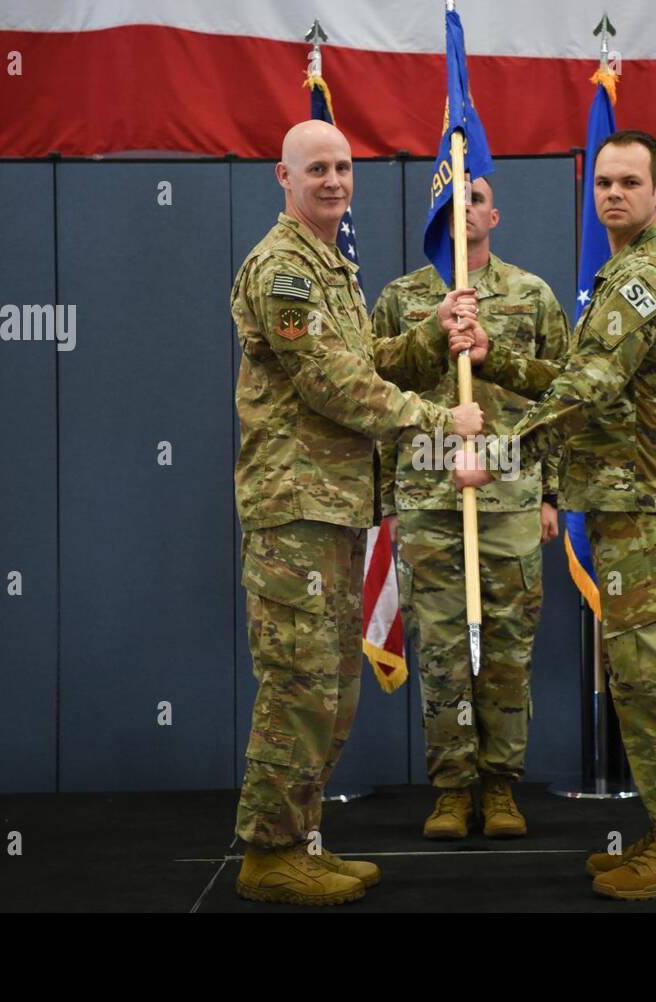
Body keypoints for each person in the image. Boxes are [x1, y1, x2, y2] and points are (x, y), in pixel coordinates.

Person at [450, 129, 656, 900]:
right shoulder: (623, 273)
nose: (612, 194)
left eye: (630, 182)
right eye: (603, 181)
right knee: (639, 677)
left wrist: (495, 451)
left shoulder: (648, 279)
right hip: (624, 504)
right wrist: (492, 352)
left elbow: (588, 388)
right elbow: (576, 373)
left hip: (647, 507)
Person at [231, 118, 484, 906]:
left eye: (343, 167)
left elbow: (364, 358)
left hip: (335, 507)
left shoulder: (331, 267)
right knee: (298, 686)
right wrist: (443, 422)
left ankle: (301, 839)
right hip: (295, 507)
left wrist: (429, 334)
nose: (334, 181)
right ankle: (267, 854)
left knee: (332, 684)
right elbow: (330, 384)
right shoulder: (283, 270)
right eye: (317, 170)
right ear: (284, 178)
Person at [369, 175, 570, 840]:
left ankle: (502, 786)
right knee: (442, 652)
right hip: (428, 498)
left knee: (508, 649)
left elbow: (563, 396)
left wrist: (550, 495)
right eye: (452, 199)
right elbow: (370, 388)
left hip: (510, 497)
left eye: (477, 198)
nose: (465, 209)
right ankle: (452, 790)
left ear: (496, 213)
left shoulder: (531, 295)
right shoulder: (402, 299)